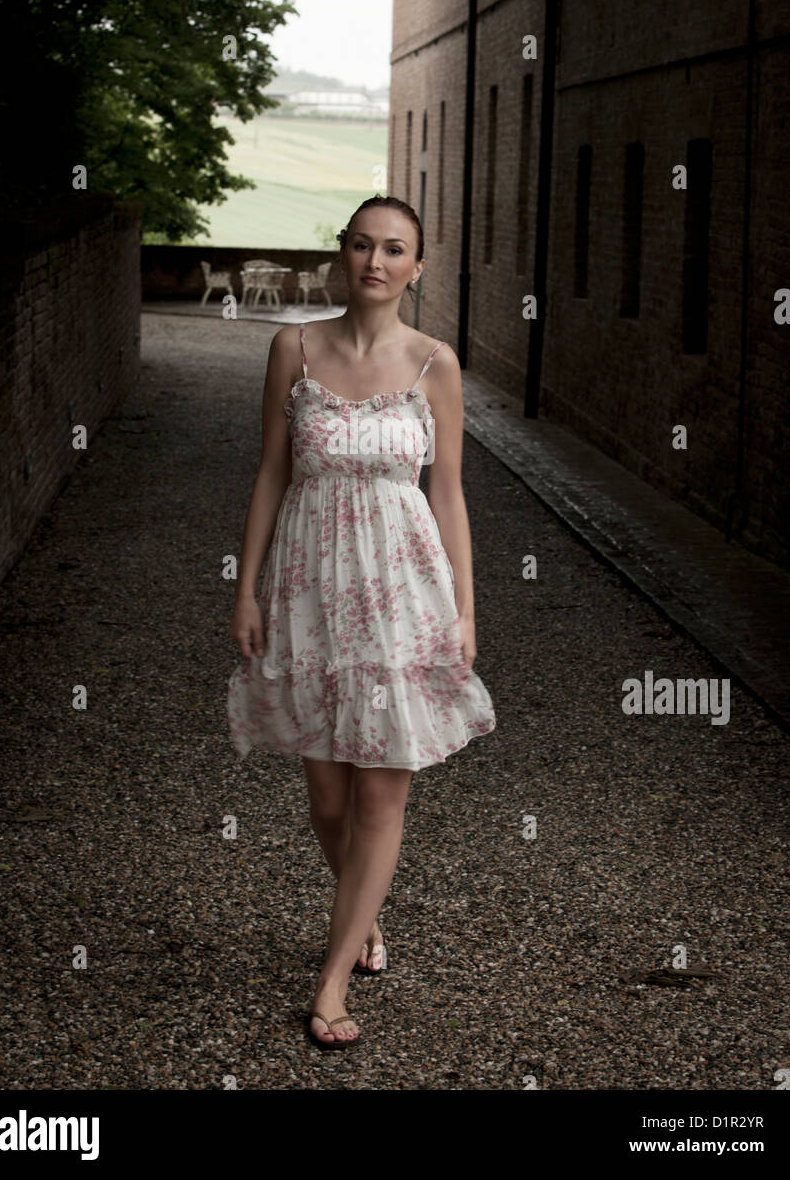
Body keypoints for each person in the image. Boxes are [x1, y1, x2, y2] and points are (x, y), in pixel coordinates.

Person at [227, 194, 496, 1049]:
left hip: (403, 594)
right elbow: (272, 473)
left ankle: (334, 975)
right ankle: (363, 916)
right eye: (360, 245)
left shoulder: (433, 365)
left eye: (394, 249)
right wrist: (248, 587)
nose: (374, 261)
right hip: (309, 586)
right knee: (326, 791)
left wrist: (466, 608)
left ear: (418, 267)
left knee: (383, 783)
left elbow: (446, 491)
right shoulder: (293, 348)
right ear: (340, 256)